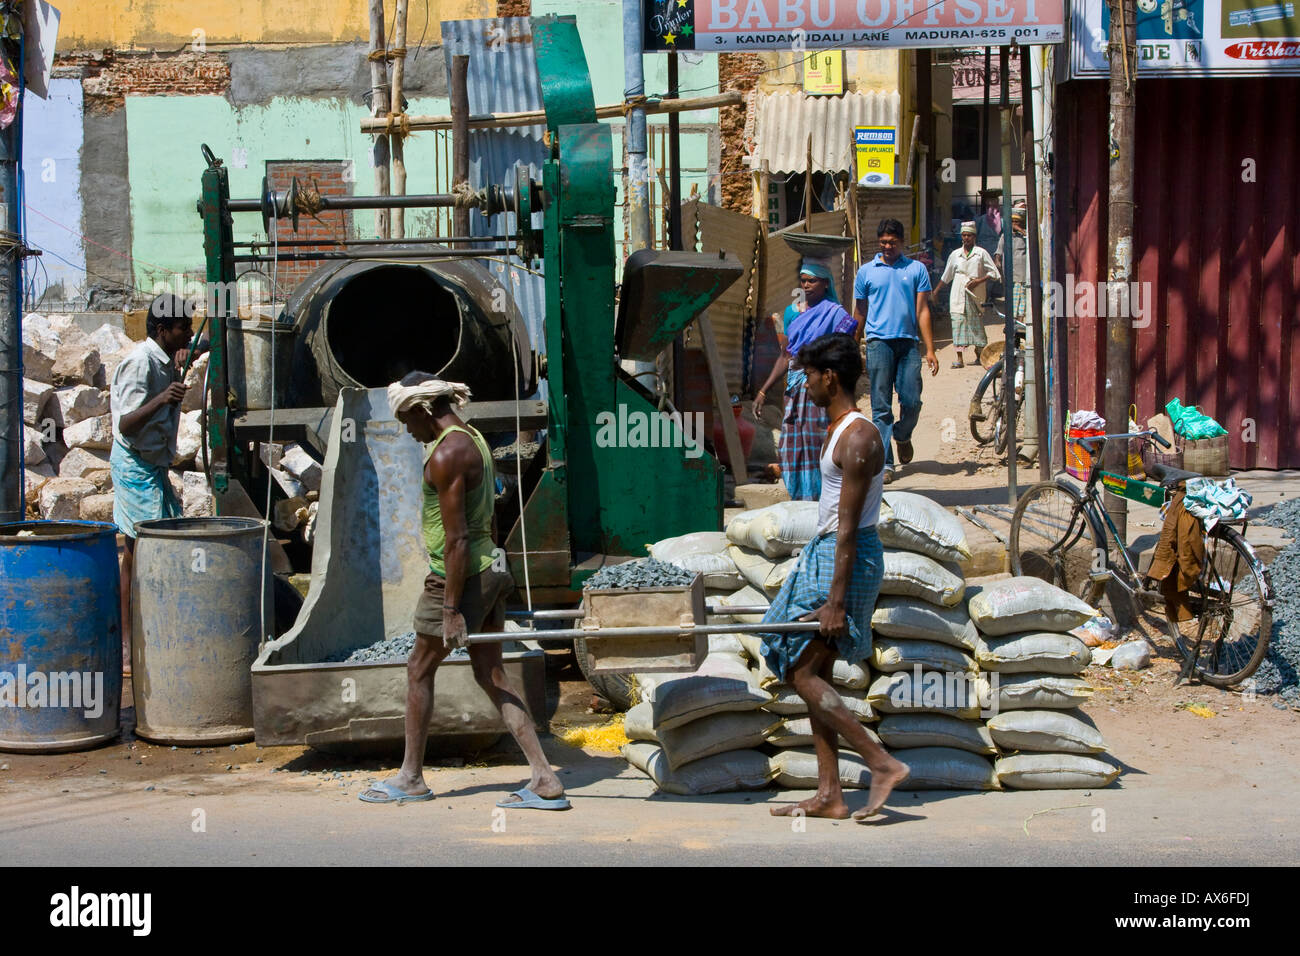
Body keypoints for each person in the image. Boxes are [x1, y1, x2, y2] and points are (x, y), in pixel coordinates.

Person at [360, 372, 569, 810]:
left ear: (421, 410)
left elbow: (456, 540)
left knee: (418, 668)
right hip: (490, 567)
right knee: (490, 673)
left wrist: (452, 607)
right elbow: (488, 516)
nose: (408, 431)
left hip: (459, 577)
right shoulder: (472, 436)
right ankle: (545, 777)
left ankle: (411, 778)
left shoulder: (447, 453)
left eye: (406, 421)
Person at [758, 333, 910, 821]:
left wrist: (836, 602)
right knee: (814, 672)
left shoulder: (860, 437)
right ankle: (830, 795)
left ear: (831, 377)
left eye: (808, 376)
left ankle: (880, 762)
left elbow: (848, 529)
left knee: (801, 673)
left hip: (848, 559)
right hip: (828, 554)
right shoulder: (839, 427)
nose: (803, 385)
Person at [111, 293, 204, 677]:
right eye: (183, 328)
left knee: (141, 552)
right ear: (163, 330)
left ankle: (146, 639)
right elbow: (125, 424)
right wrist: (163, 397)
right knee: (143, 552)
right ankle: (130, 646)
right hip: (136, 466)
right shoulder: (140, 365)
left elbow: (200, 343)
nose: (189, 333)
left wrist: (181, 358)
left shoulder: (165, 359)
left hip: (153, 467)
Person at [753, 258, 858, 500]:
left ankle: (824, 496)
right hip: (794, 387)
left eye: (813, 280)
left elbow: (844, 349)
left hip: (821, 389)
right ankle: (799, 496)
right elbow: (785, 355)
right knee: (791, 443)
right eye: (803, 280)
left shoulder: (835, 313)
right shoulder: (793, 313)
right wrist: (763, 391)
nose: (807, 285)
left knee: (817, 440)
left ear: (825, 284)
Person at [852, 218, 937, 484]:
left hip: (908, 344)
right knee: (881, 407)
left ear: (901, 242)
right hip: (878, 343)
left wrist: (931, 349)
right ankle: (886, 463)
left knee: (912, 400)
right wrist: (853, 344)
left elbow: (923, 310)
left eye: (893, 242)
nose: (888, 246)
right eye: (883, 242)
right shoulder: (866, 272)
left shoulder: (916, 270)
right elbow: (860, 311)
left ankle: (902, 434)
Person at [935, 221, 1001, 368]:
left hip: (974, 294)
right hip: (958, 293)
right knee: (957, 323)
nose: (966, 238)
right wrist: (935, 292)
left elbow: (994, 273)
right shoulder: (955, 255)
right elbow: (946, 276)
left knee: (975, 324)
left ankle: (980, 354)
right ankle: (959, 358)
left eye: (969, 235)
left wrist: (979, 280)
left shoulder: (981, 253)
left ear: (974, 236)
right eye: (964, 235)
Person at [996, 207, 1030, 322]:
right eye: (1013, 222)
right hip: (1011, 273)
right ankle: (1013, 321)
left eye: (1017, 222)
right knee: (1013, 299)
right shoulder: (1004, 236)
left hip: (1024, 274)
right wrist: (998, 261)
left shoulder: (1025, 236)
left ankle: (1020, 321)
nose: (1015, 224)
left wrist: (1021, 231)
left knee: (1023, 298)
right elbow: (998, 252)